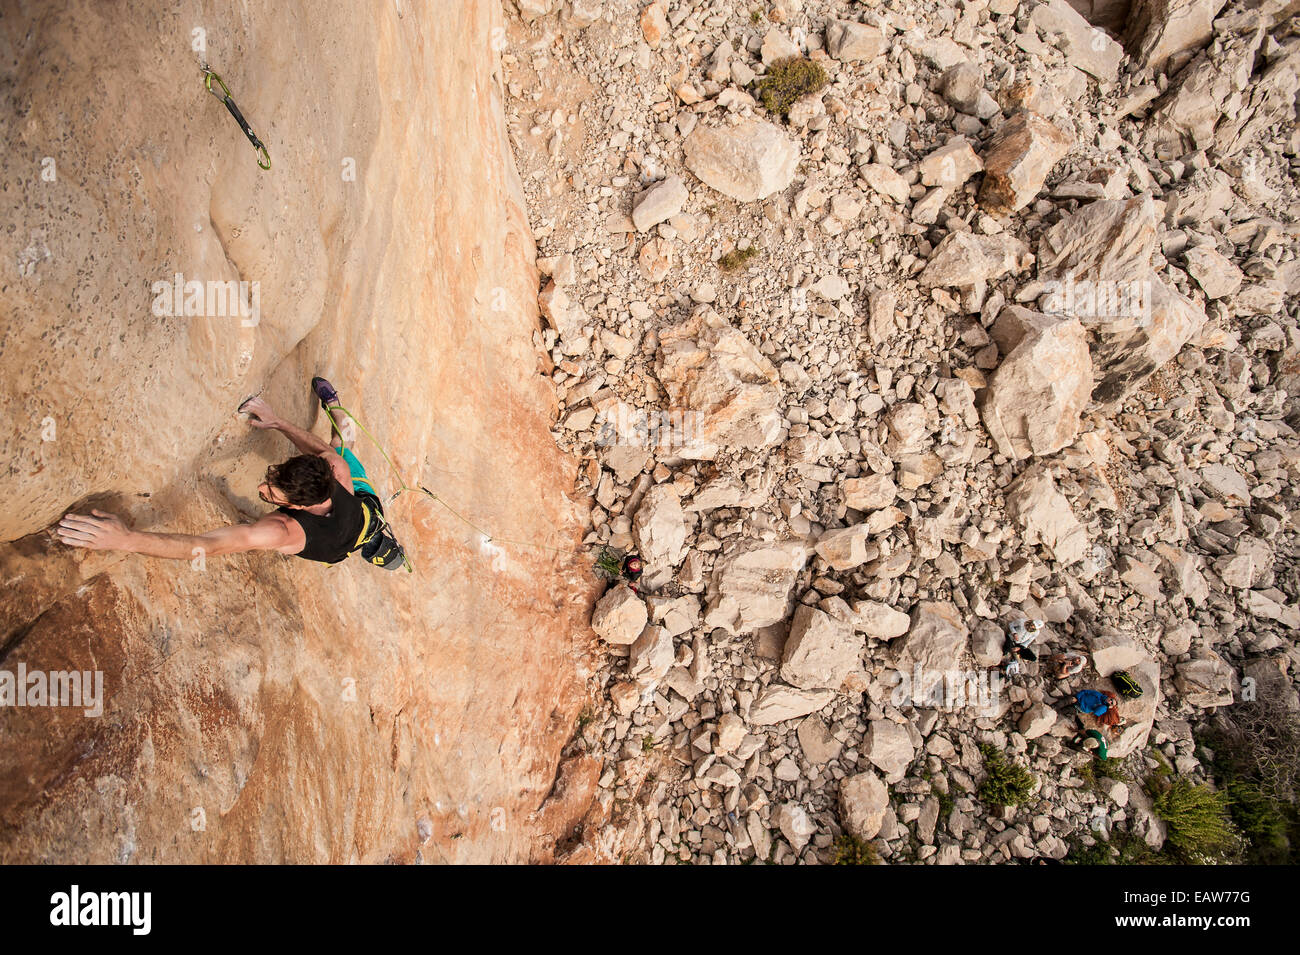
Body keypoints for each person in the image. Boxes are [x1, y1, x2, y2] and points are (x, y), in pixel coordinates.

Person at [57, 377, 379, 565]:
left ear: (295, 507)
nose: (264, 487)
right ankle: (337, 414)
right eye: (272, 476)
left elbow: (206, 545)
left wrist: (125, 539)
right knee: (337, 447)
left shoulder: (281, 530)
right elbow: (317, 449)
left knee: (342, 441)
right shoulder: (333, 468)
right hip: (364, 508)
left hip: (338, 546)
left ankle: (338, 411)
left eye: (271, 492)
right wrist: (276, 421)